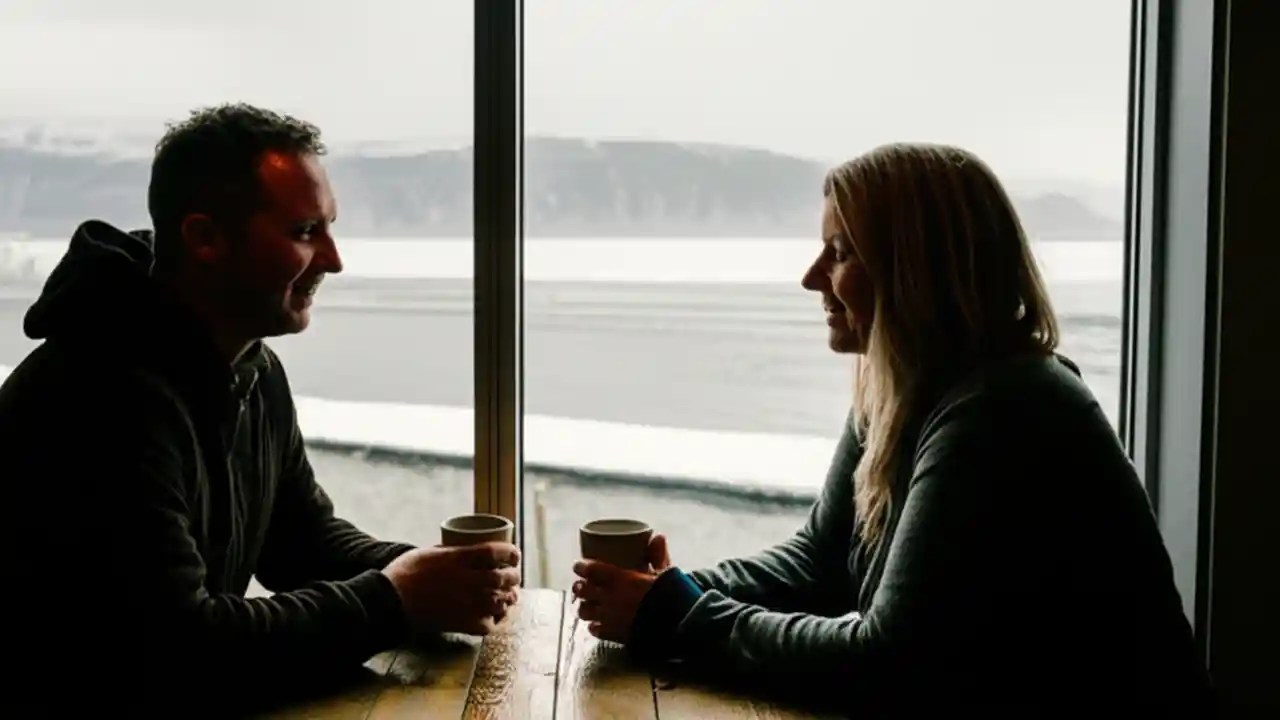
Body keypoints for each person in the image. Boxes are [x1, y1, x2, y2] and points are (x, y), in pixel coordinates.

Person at [570, 143, 1214, 713]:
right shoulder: (906, 389)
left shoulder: (1005, 409)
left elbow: (888, 661)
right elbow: (820, 559)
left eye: (841, 252)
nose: (812, 277)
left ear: (917, 270)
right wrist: (671, 592)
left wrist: (680, 615)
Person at [0, 103, 520, 712]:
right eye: (304, 232)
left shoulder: (250, 365)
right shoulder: (98, 397)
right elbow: (182, 650)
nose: (333, 259)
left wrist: (431, 574)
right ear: (205, 240)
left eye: (329, 228)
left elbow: (299, 540)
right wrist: (396, 599)